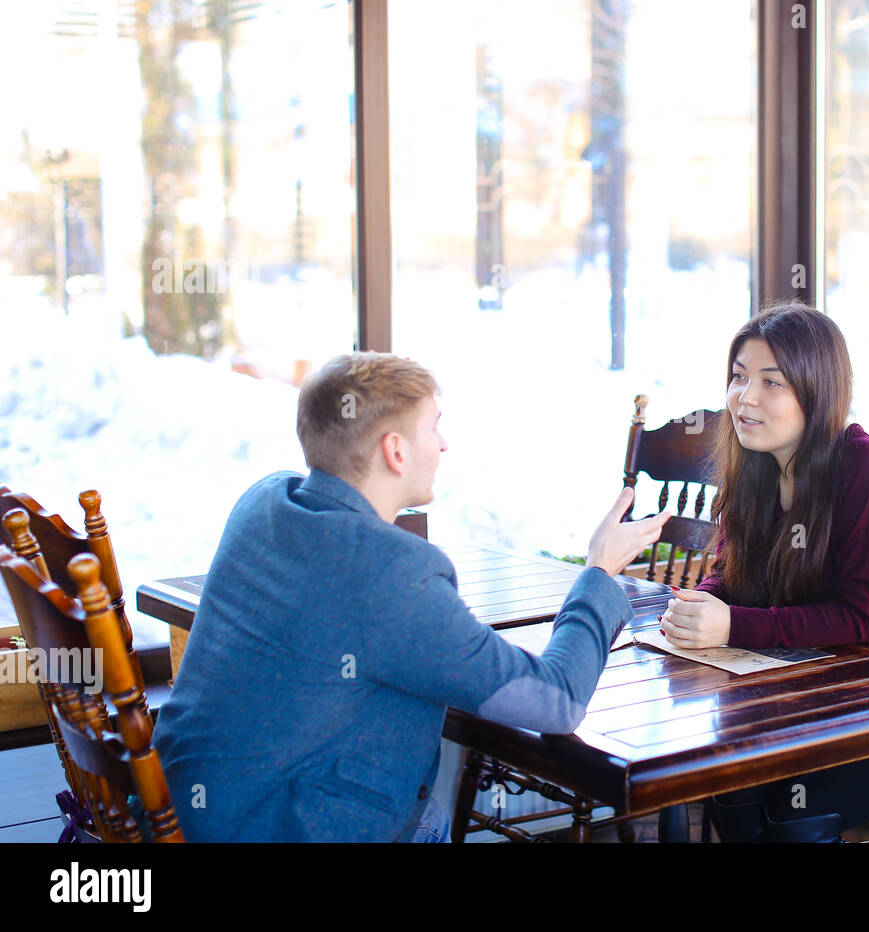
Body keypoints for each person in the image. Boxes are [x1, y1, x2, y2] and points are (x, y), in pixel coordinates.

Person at [153, 352, 669, 842]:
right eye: (434, 426)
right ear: (395, 450)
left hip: (180, 812)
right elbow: (557, 701)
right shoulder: (395, 572)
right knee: (426, 815)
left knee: (428, 804)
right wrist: (599, 569)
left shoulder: (264, 502)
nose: (443, 445)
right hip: (278, 827)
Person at [661, 302, 869, 842]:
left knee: (791, 814)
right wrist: (699, 606)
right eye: (739, 376)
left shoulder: (868, 469)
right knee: (733, 786)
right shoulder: (755, 463)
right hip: (832, 700)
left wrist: (733, 625)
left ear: (816, 391)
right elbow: (730, 571)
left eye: (771, 382)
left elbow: (860, 617)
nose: (745, 397)